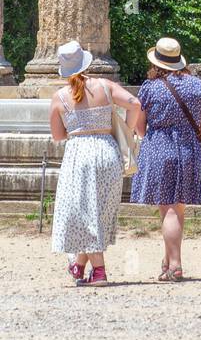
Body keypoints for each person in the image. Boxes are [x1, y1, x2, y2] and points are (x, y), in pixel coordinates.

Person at [49, 40, 141, 286]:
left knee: (81, 213)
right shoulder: (105, 85)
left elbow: (58, 136)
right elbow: (134, 104)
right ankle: (79, 266)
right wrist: (127, 131)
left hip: (79, 153)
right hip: (107, 150)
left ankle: (98, 271)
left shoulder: (59, 97)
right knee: (96, 211)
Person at [130, 37, 201, 281]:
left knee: (167, 209)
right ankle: (168, 262)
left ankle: (175, 264)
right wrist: (191, 135)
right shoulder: (197, 85)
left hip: (158, 149)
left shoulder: (148, 88)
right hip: (189, 151)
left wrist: (153, 137)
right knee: (177, 209)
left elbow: (140, 126)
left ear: (156, 63)